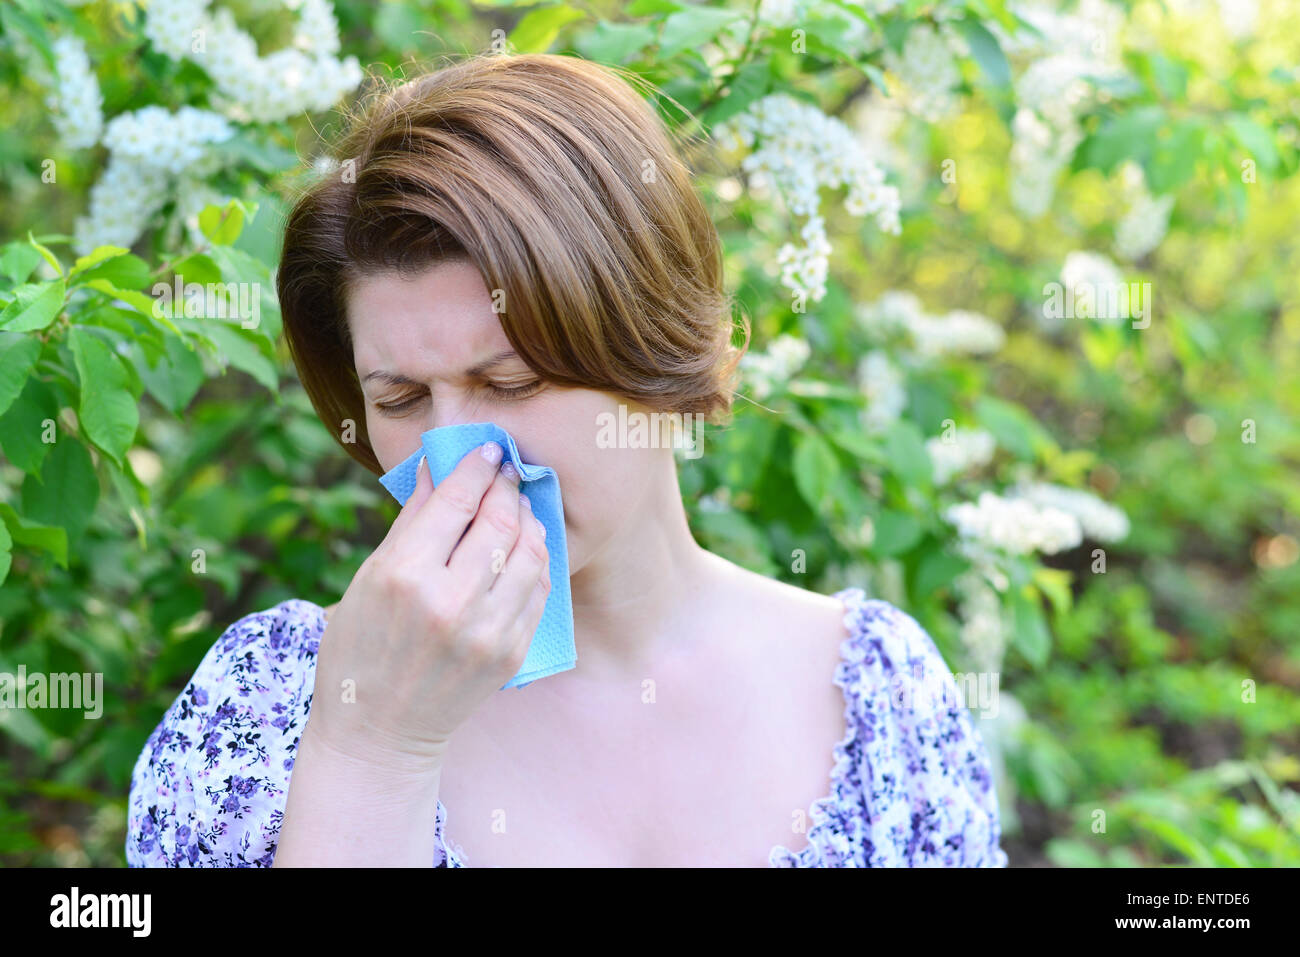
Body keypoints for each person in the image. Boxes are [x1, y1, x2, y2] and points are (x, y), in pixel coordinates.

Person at [125, 51, 1008, 867]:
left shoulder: (882, 696)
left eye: (511, 382)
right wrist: (374, 751)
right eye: (399, 399)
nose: (455, 455)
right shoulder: (272, 708)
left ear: (663, 347)